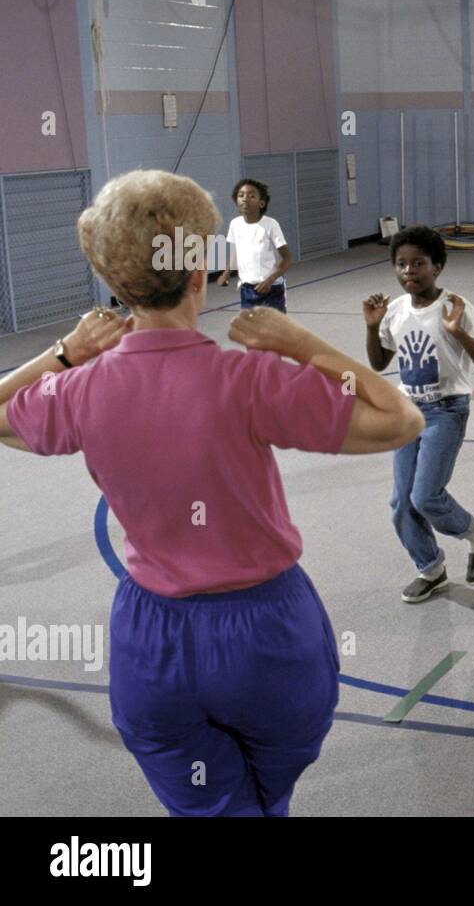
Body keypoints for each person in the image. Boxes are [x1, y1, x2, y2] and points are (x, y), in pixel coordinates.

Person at [0, 169, 423, 816]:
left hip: (150, 644)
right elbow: (401, 418)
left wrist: (64, 352)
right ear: (199, 274)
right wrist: (300, 342)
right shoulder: (248, 379)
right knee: (267, 794)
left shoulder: (82, 390)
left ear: (115, 285)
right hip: (268, 638)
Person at [363, 225, 474, 603]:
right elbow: (377, 363)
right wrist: (372, 328)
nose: (409, 272)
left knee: (425, 496)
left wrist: (459, 333)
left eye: (418, 264)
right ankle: (431, 569)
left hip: (446, 411)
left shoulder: (456, 307)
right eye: (401, 265)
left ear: (437, 266)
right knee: (400, 503)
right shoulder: (394, 310)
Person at [217, 177, 292, 313]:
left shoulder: (270, 225)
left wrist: (269, 280)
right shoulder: (235, 224)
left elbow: (288, 259)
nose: (245, 199)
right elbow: (236, 253)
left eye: (252, 196)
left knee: (273, 331)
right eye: (241, 195)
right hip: (247, 290)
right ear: (236, 201)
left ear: (261, 203)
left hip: (271, 289)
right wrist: (226, 273)